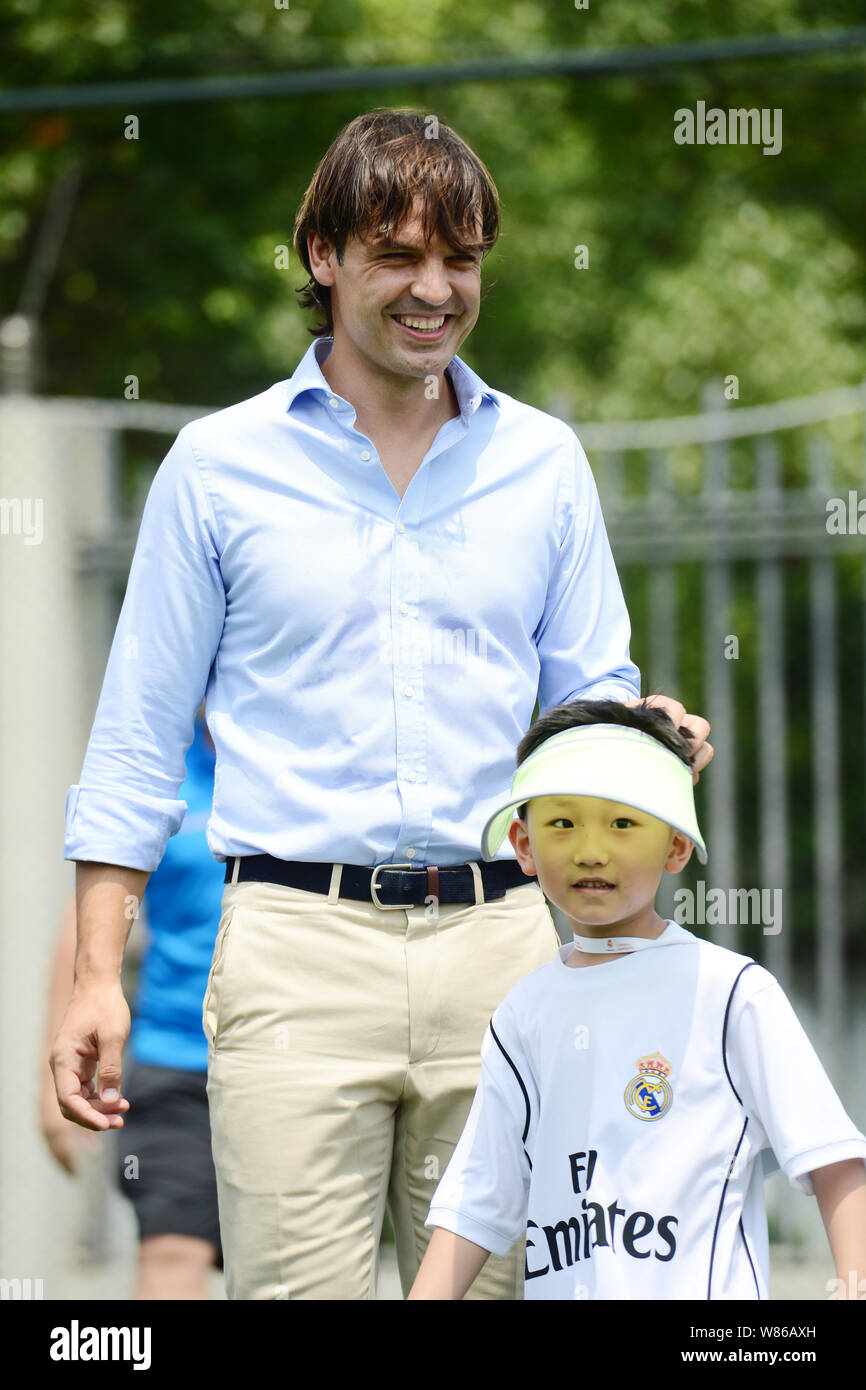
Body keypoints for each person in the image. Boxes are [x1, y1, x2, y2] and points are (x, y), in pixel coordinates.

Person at [52, 108, 712, 1301]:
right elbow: (137, 741)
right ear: (323, 255)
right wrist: (97, 974)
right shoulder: (214, 467)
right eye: (398, 256)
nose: (433, 290)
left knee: (514, 1292)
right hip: (294, 952)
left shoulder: (545, 463)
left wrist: (639, 734)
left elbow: (585, 708)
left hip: (505, 946)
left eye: (458, 260)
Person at [408, 699, 866, 1299]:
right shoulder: (522, 1013)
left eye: (622, 823)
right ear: (522, 844)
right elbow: (475, 1203)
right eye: (563, 824)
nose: (590, 851)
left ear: (676, 846)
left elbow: (832, 1160)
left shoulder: (730, 992)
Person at [42, 705, 223, 1299]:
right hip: (175, 1057)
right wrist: (52, 1085)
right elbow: (83, 926)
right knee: (170, 1250)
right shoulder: (163, 774)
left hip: (300, 1054)